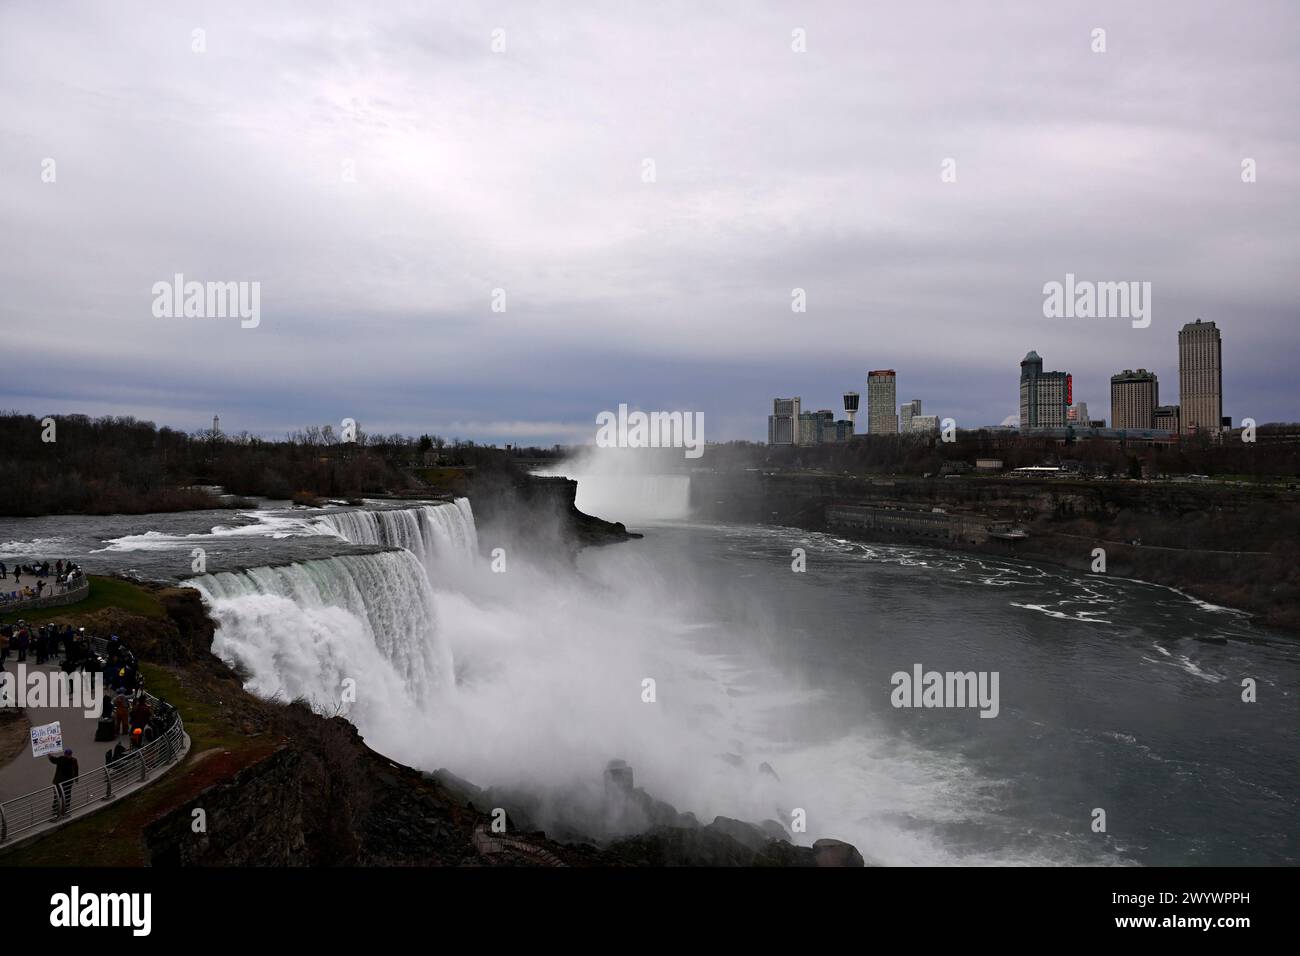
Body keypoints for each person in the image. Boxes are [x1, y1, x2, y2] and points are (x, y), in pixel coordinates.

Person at [49, 748, 78, 812]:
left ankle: (66, 806)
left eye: (69, 754)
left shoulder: (73, 760)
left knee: (67, 794)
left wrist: (76, 778)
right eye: (67, 754)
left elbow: (76, 769)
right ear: (64, 754)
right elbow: (54, 760)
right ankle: (55, 806)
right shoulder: (61, 759)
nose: (67, 756)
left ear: (71, 755)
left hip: (68, 781)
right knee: (57, 794)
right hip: (59, 781)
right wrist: (50, 756)